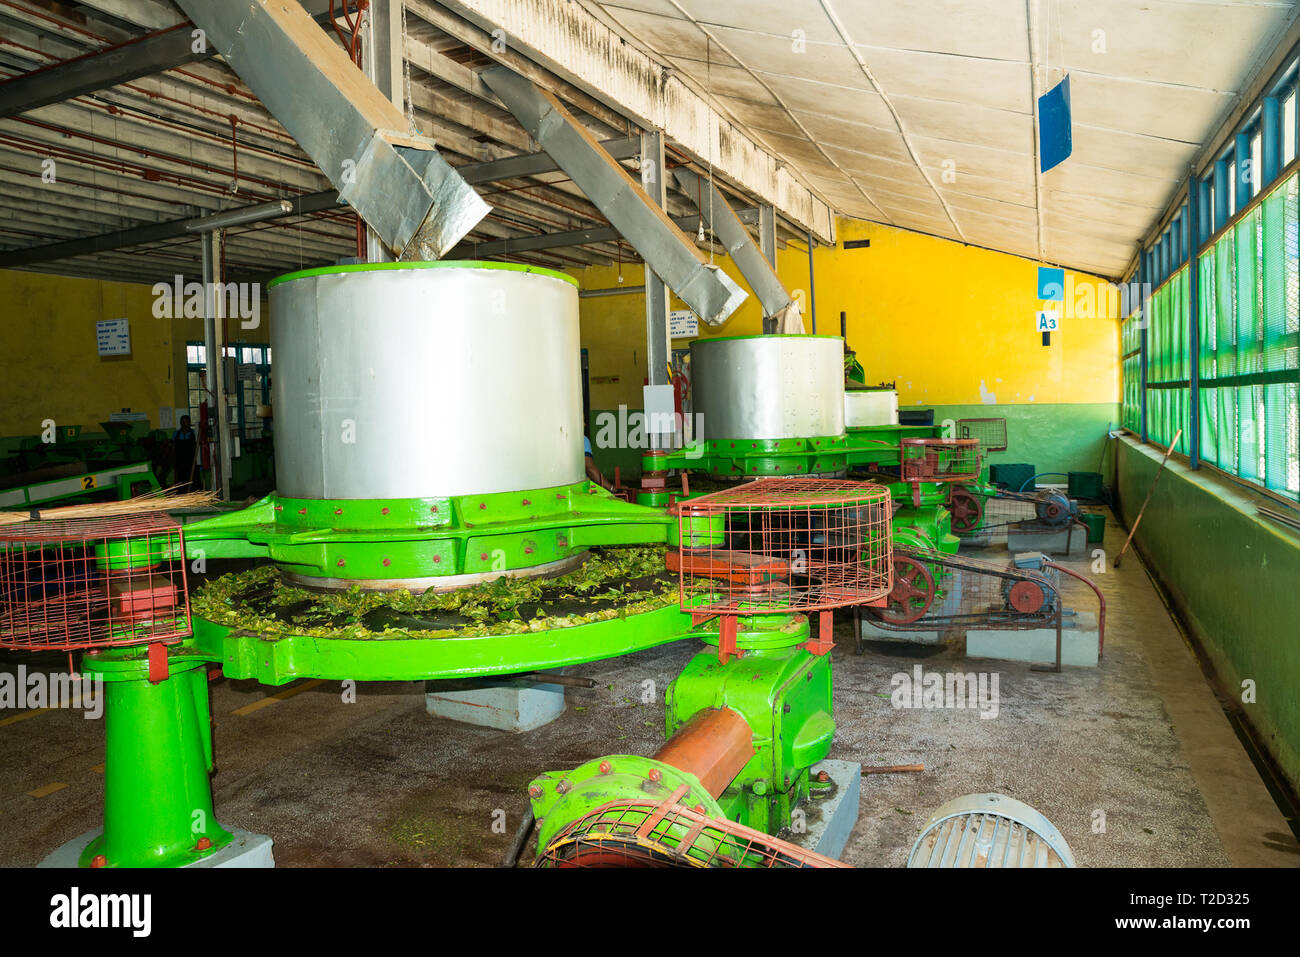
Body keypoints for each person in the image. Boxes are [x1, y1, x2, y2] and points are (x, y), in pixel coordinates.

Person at [173, 415, 200, 492]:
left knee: (192, 479)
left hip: (191, 461)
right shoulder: (176, 434)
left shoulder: (194, 434)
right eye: (183, 422)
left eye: (186, 422)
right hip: (180, 462)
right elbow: (174, 448)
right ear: (180, 423)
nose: (185, 423)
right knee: (181, 480)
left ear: (189, 423)